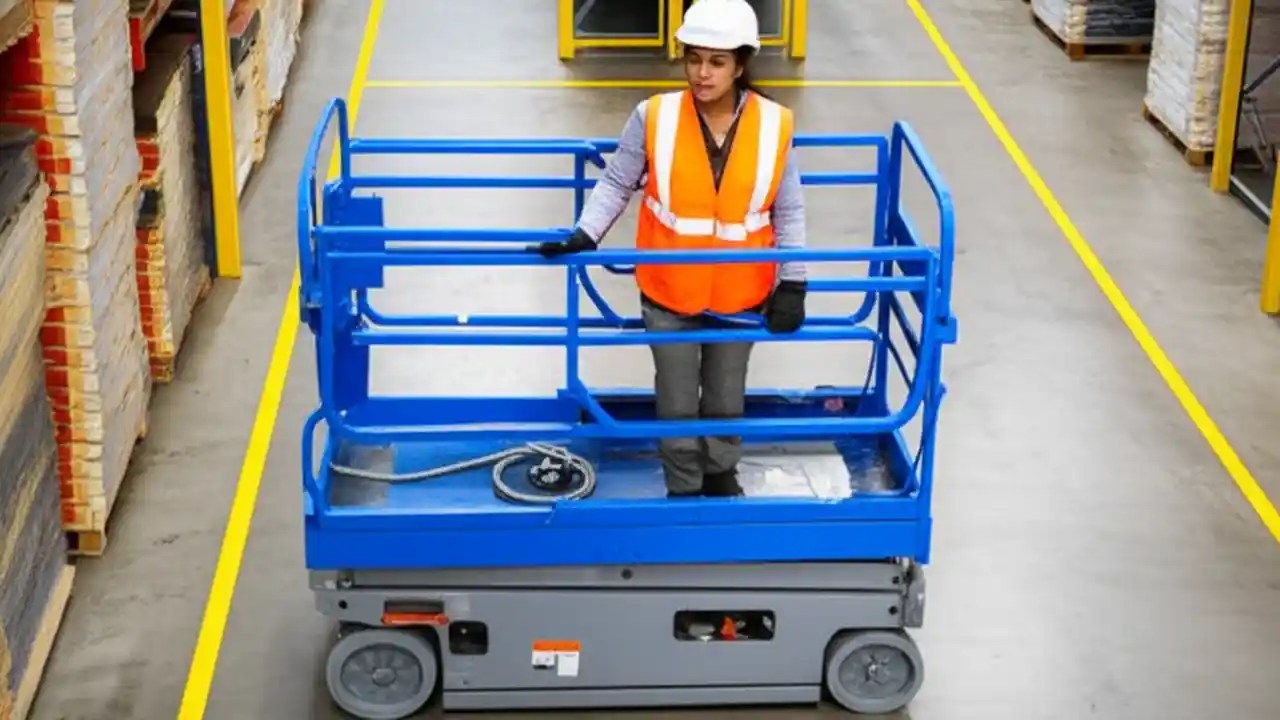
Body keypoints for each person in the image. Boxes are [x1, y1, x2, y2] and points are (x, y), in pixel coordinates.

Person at [537, 0, 807, 498]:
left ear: (741, 65)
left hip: (740, 294)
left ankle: (721, 474)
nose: (702, 74)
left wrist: (793, 280)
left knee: (726, 397)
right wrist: (584, 233)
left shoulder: (774, 126)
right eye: (694, 58)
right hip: (669, 291)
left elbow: (787, 209)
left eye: (717, 62)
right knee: (677, 401)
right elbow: (617, 182)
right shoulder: (654, 116)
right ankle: (682, 486)